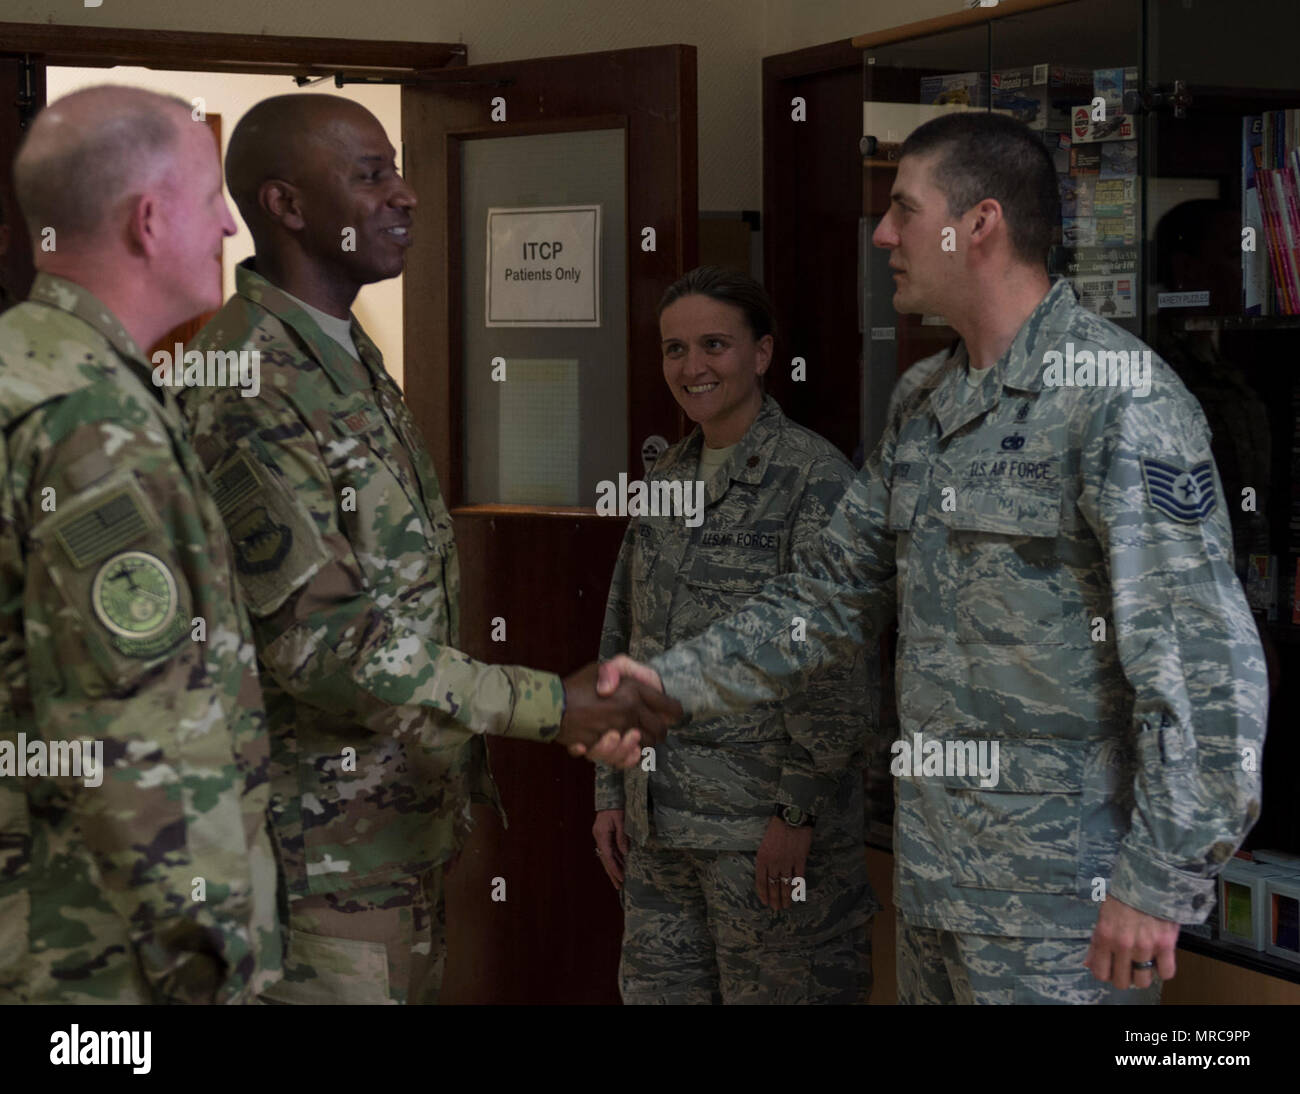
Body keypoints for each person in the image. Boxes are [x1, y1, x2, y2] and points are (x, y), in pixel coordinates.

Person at [599, 111, 1268, 1005]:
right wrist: (662, 682)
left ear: (978, 223)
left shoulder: (1119, 402)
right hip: (936, 887)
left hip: (1067, 906)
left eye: (903, 209)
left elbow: (1204, 671)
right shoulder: (926, 401)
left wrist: (1159, 882)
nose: (883, 233)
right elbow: (829, 595)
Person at [180, 94, 678, 1005]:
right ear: (287, 206)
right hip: (317, 861)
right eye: (371, 176)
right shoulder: (249, 379)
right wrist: (545, 704)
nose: (404, 196)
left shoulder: (345, 354)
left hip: (394, 839)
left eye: (398, 171)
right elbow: (326, 649)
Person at [0, 86, 282, 1003]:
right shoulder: (90, 419)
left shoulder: (33, 365)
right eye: (212, 201)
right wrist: (208, 963)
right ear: (150, 220)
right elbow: (134, 730)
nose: (231, 228)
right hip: (94, 958)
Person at [592, 266, 878, 1004]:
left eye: (714, 345)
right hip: (660, 833)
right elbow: (623, 633)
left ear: (761, 354)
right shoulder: (667, 477)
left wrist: (796, 811)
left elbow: (838, 665)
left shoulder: (814, 480)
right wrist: (610, 789)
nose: (692, 368)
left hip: (765, 838)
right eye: (674, 349)